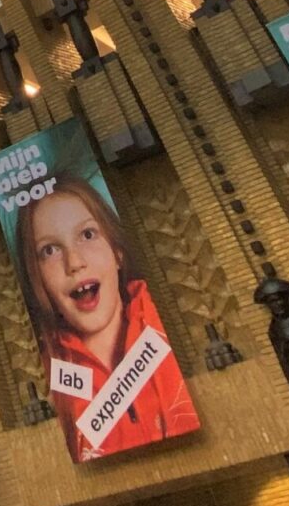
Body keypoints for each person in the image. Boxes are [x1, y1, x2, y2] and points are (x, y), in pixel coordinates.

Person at [16, 178, 199, 461]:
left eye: (87, 235)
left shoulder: (168, 320)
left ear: (117, 253)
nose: (74, 262)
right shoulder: (50, 373)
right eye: (49, 250)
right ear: (38, 277)